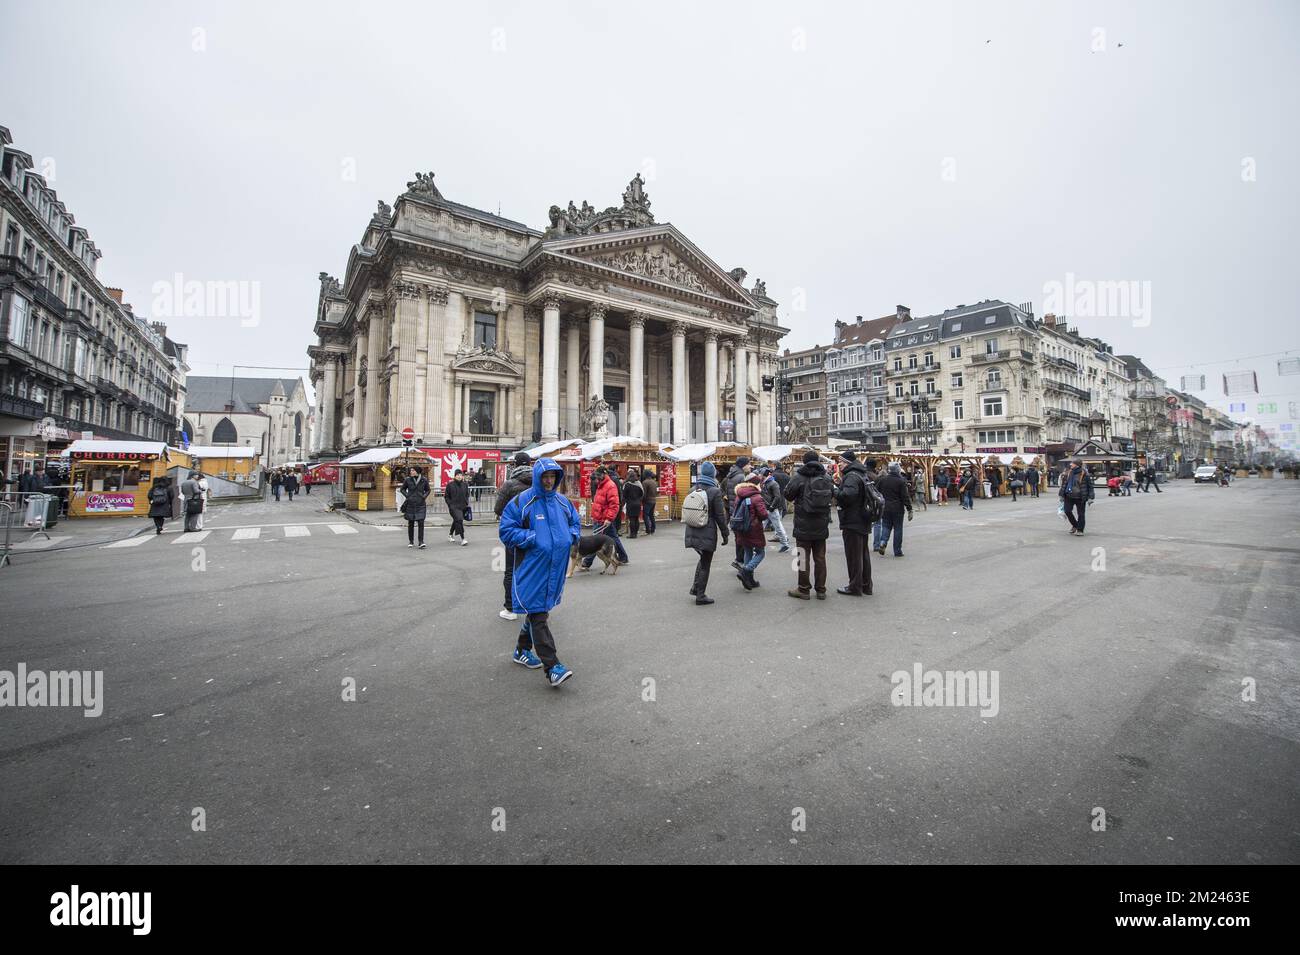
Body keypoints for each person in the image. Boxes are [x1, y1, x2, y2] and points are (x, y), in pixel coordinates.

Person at [498, 457, 581, 688]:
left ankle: (521, 650)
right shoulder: (522, 501)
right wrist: (531, 538)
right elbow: (506, 530)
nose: (548, 480)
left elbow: (575, 523)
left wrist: (571, 536)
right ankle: (553, 666)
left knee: (539, 610)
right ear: (537, 477)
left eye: (552, 476)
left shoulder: (563, 503)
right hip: (531, 568)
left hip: (555, 568)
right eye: (545, 476)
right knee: (539, 615)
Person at [784, 450, 834, 600]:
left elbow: (788, 494)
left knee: (802, 557)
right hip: (821, 522)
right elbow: (832, 494)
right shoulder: (826, 477)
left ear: (804, 462)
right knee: (820, 557)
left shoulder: (799, 476)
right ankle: (821, 590)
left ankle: (803, 589)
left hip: (803, 523)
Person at [493, 452, 534, 620]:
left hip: (514, 532)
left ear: (515, 465)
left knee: (510, 570)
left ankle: (510, 609)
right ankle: (534, 607)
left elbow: (498, 508)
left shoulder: (509, 484)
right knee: (533, 569)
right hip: (535, 532)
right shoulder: (538, 483)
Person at [683, 461, 729, 605]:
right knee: (706, 563)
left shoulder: (693, 489)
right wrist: (725, 533)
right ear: (713, 474)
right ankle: (700, 596)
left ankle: (696, 588)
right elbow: (720, 516)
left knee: (703, 559)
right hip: (707, 531)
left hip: (692, 528)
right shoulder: (715, 491)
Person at [835, 451, 874, 596]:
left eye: (841, 461)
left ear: (848, 462)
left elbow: (847, 496)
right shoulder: (861, 474)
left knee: (853, 555)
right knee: (863, 554)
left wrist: (835, 491)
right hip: (863, 519)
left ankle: (854, 586)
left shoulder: (851, 476)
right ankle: (866, 585)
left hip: (853, 520)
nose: (839, 463)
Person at [583, 467, 630, 568]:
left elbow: (614, 504)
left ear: (601, 476)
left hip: (603, 519)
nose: (595, 481)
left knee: (595, 541)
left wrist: (608, 518)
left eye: (596, 479)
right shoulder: (601, 485)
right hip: (600, 517)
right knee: (613, 538)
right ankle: (623, 557)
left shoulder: (610, 486)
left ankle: (586, 562)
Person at [731, 471, 769, 591]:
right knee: (760, 553)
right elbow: (763, 515)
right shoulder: (756, 497)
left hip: (741, 528)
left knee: (748, 551)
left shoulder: (739, 495)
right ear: (756, 484)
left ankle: (750, 580)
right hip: (754, 529)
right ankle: (746, 571)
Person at [874, 462, 913, 557]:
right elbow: (905, 497)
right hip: (897, 508)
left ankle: (883, 542)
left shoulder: (883, 480)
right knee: (898, 529)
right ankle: (897, 550)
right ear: (898, 470)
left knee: (886, 526)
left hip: (885, 507)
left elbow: (875, 491)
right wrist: (909, 509)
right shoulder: (901, 481)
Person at [723, 455, 750, 566]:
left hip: (733, 510)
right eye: (748, 464)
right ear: (743, 465)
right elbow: (744, 495)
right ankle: (740, 560)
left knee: (738, 537)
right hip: (740, 511)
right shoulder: (740, 477)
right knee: (743, 537)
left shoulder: (731, 475)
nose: (750, 466)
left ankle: (739, 559)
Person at [1059, 459, 1095, 536]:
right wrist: (1061, 495)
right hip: (1069, 495)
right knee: (1067, 511)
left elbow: (1090, 486)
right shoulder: (1068, 473)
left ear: (1077, 465)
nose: (1071, 464)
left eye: (1072, 463)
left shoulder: (1084, 473)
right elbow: (1064, 484)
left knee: (1081, 514)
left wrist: (1090, 497)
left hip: (1080, 497)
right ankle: (1075, 525)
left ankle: (1080, 529)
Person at [759, 467, 791, 553]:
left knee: (778, 527)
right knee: (761, 527)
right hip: (767, 508)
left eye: (760, 474)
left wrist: (772, 507)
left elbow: (777, 497)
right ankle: (757, 546)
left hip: (772, 509)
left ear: (763, 475)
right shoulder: (764, 483)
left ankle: (785, 545)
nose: (759, 475)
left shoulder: (773, 483)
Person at [401, 466, 430, 548]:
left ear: (417, 471)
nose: (411, 472)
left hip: (420, 504)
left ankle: (421, 541)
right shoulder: (408, 480)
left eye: (413, 470)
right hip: (410, 503)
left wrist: (424, 497)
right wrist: (408, 496)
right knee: (411, 523)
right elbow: (402, 489)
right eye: (411, 470)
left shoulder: (423, 480)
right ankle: (411, 541)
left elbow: (428, 490)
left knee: (421, 522)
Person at [445, 469, 470, 544]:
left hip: (462, 506)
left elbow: (467, 494)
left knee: (456, 520)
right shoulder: (450, 485)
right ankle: (463, 538)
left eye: (460, 475)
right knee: (459, 520)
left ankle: (450, 535)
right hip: (453, 507)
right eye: (458, 475)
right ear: (455, 476)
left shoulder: (465, 484)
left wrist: (466, 502)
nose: (459, 476)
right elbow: (446, 496)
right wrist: (450, 504)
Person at [623, 467, 645, 538]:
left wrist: (626, 501)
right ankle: (636, 533)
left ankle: (632, 534)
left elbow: (624, 495)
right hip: (638, 503)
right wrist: (639, 500)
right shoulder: (639, 484)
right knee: (636, 519)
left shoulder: (627, 485)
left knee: (631, 519)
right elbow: (642, 493)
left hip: (630, 504)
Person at [641, 468, 658, 535]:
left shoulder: (645, 482)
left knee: (645, 516)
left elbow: (644, 493)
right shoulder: (654, 482)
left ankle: (648, 530)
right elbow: (656, 492)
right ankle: (653, 528)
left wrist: (642, 500)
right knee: (651, 515)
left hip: (647, 501)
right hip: (654, 500)